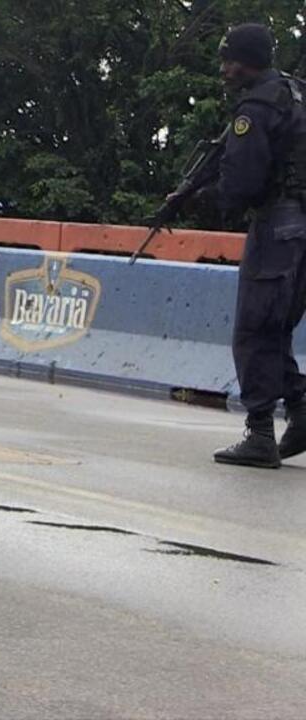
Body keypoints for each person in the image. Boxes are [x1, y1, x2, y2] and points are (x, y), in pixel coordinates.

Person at [208, 24, 306, 469]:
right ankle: (300, 408)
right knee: (277, 326)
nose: (224, 70)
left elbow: (243, 182)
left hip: (278, 224)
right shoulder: (295, 93)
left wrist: (211, 198)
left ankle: (260, 432)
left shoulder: (256, 107)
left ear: (247, 61)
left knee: (255, 328)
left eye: (229, 61)